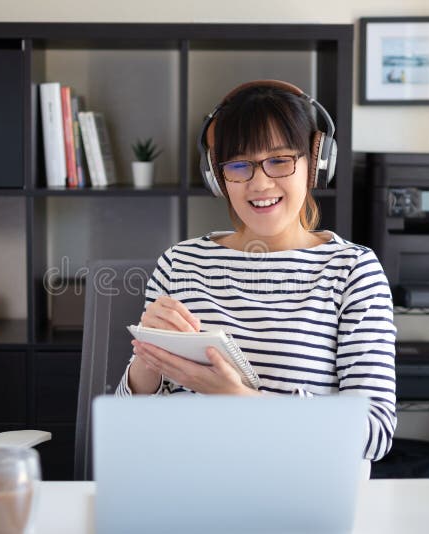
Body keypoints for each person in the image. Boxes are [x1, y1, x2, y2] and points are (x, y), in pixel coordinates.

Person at [115, 80, 397, 462]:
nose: (259, 183)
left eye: (280, 160)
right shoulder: (179, 263)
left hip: (296, 493)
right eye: (239, 165)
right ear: (219, 176)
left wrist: (239, 400)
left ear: (315, 162)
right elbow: (130, 426)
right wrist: (147, 359)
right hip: (183, 484)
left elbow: (375, 433)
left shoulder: (352, 271)